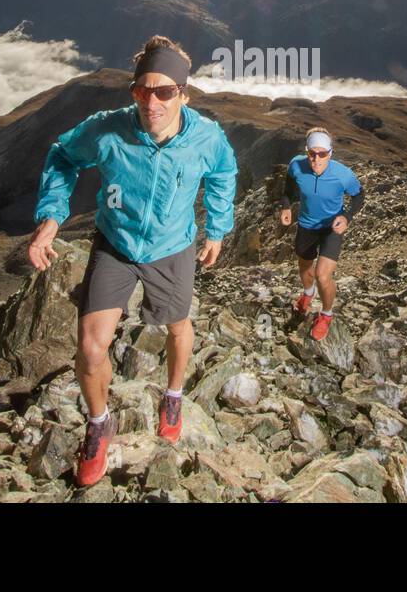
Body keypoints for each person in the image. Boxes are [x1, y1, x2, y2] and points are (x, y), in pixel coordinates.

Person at [27, 35, 237, 487]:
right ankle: (99, 423)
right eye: (143, 90)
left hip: (173, 246)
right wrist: (50, 219)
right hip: (116, 243)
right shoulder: (107, 129)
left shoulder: (206, 136)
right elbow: (62, 156)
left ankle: (174, 394)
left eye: (164, 91)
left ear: (184, 93)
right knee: (89, 349)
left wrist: (217, 229)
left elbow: (223, 174)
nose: (151, 101)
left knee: (177, 326)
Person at [276, 126, 364, 340]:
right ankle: (307, 294)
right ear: (307, 152)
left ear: (330, 153)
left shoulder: (343, 175)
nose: (316, 159)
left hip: (331, 228)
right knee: (304, 266)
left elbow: (359, 196)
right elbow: (288, 187)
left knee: (322, 275)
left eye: (322, 154)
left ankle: (326, 314)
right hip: (307, 225)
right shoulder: (296, 166)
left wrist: (347, 217)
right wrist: (286, 206)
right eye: (312, 154)